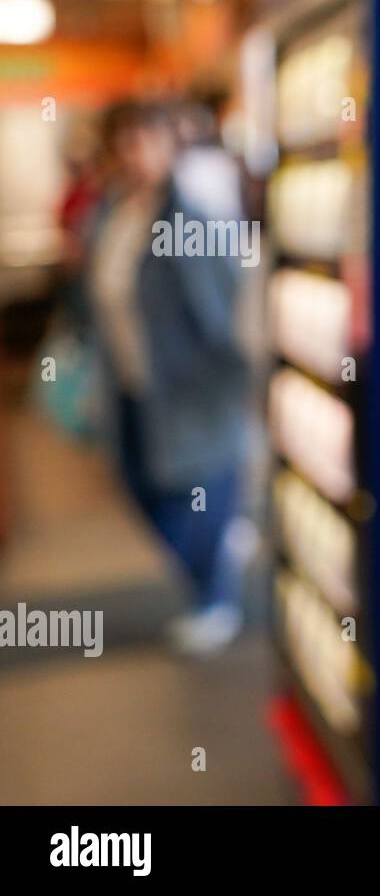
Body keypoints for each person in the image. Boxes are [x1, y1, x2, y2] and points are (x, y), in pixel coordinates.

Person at [79, 100, 251, 655]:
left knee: (196, 490)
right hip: (131, 381)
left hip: (189, 387)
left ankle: (213, 595)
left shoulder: (190, 218)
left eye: (147, 140)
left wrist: (233, 385)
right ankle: (214, 560)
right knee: (138, 482)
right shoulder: (113, 214)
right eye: (126, 143)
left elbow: (224, 307)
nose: (137, 154)